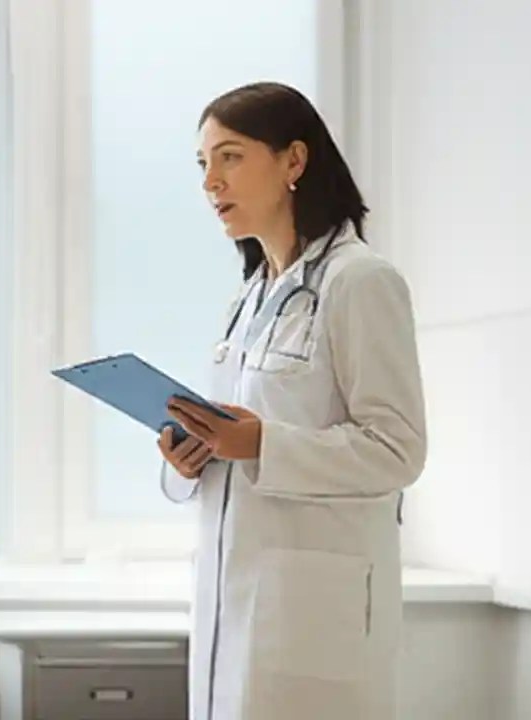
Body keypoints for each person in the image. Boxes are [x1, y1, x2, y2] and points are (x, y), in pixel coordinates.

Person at [156, 82, 426, 720]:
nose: (210, 182)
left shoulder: (360, 281)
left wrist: (261, 445)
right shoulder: (249, 298)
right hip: (231, 604)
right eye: (203, 164)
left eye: (230, 157)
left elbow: (397, 450)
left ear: (294, 160)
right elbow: (233, 441)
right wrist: (188, 460)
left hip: (311, 617)